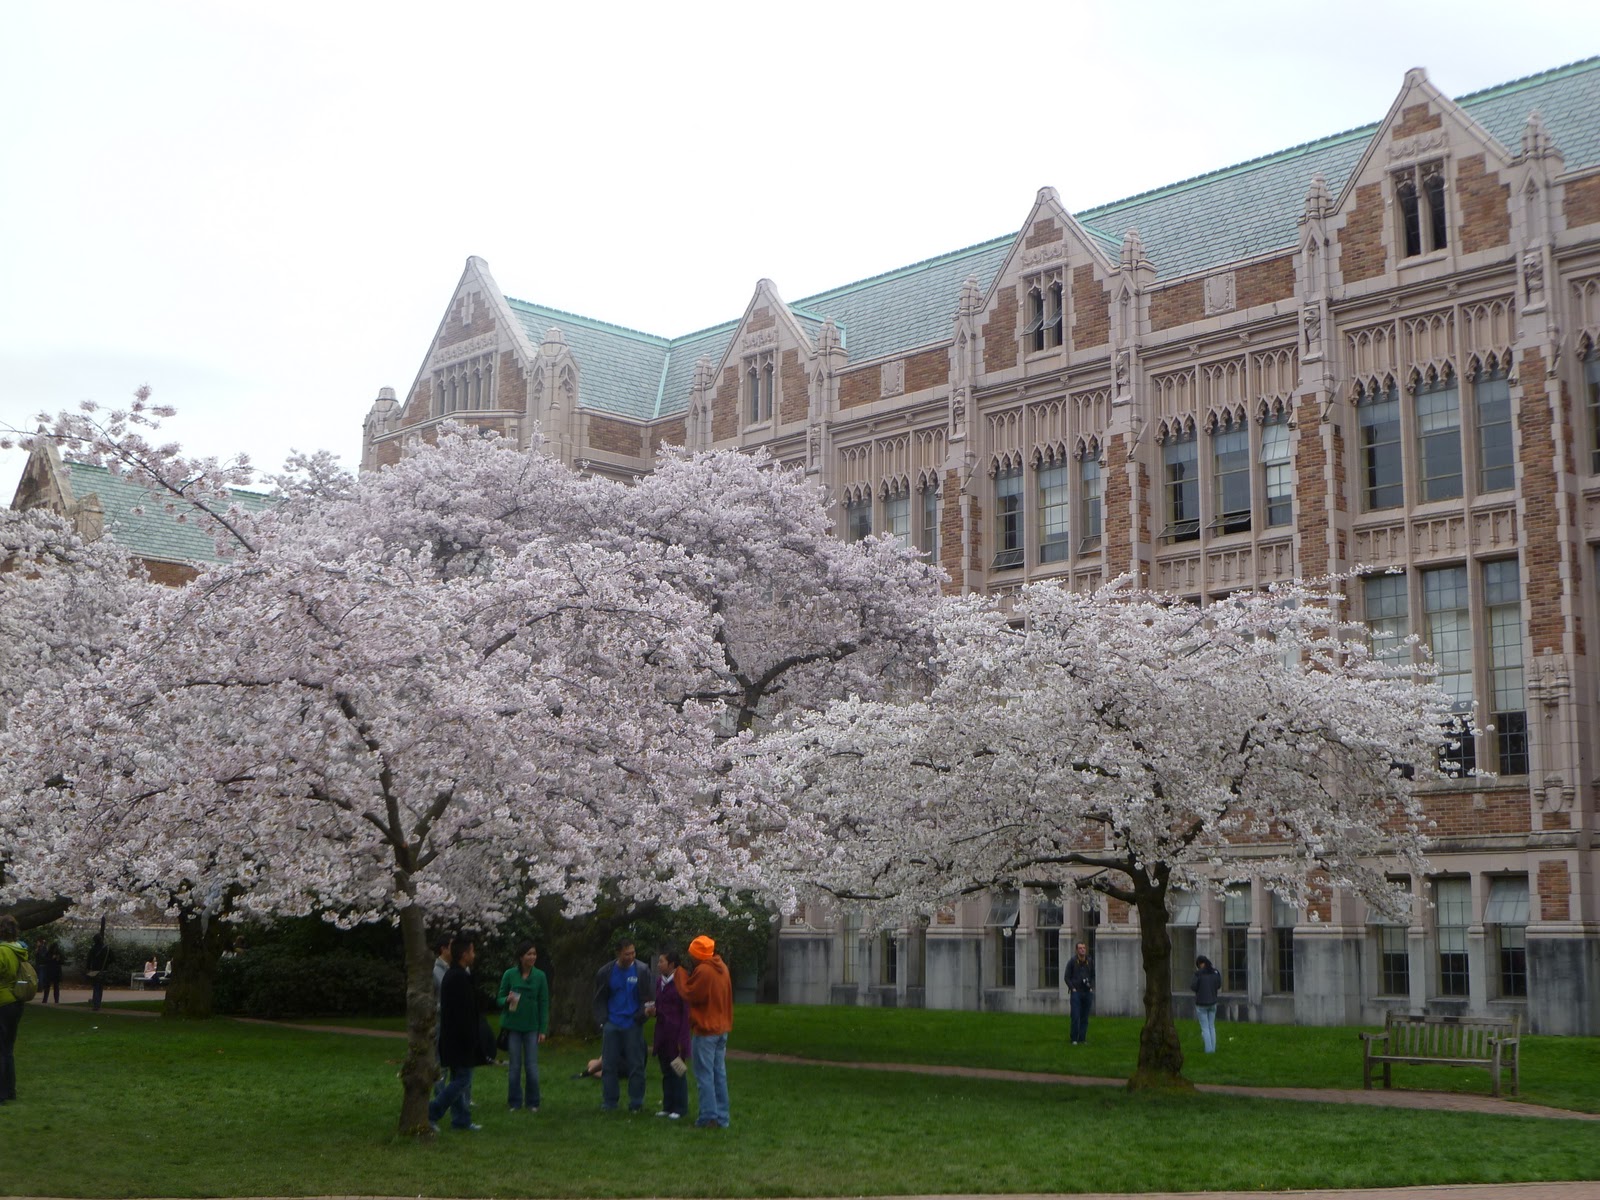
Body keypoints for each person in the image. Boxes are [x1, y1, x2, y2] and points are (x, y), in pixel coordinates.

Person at [428, 931, 484, 1132]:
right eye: (472, 951)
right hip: (460, 1040)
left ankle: (461, 1119)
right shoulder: (458, 978)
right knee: (462, 1080)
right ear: (464, 954)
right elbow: (464, 1013)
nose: (474, 955)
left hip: (453, 1039)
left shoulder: (454, 976)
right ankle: (432, 1111)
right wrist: (471, 1038)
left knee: (458, 1078)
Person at [676, 934, 732, 1129]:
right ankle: (722, 1117)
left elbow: (691, 993)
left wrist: (680, 974)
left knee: (705, 1075)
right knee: (719, 1074)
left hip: (706, 1029)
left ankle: (708, 1117)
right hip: (722, 1029)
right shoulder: (722, 968)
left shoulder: (704, 971)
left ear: (698, 954)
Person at [592, 937, 652, 1113]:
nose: (631, 956)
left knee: (636, 1065)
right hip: (612, 1023)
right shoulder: (606, 972)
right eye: (627, 953)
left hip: (633, 1024)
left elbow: (647, 997)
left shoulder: (641, 970)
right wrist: (604, 1020)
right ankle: (610, 1101)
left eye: (633, 952)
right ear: (618, 953)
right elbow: (600, 997)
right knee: (609, 1064)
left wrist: (641, 1016)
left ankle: (636, 1102)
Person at [496, 941, 549, 1113]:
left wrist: (543, 1029)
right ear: (521, 957)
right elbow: (499, 999)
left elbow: (543, 1003)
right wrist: (507, 1000)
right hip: (513, 1026)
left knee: (532, 1067)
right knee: (515, 1066)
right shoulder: (510, 974)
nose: (532, 957)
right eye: (528, 954)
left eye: (534, 954)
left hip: (532, 1026)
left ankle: (533, 1102)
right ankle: (514, 1102)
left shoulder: (540, 976)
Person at [652, 949, 690, 1119]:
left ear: (672, 964)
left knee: (677, 1071)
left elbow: (686, 1012)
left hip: (676, 1034)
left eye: (662, 961)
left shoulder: (682, 983)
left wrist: (683, 1039)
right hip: (662, 1034)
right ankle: (668, 1105)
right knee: (666, 1072)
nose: (659, 964)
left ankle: (680, 1107)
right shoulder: (660, 981)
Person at [0, 915, 29, 1104]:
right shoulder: (20, 950)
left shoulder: (3, 951)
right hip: (16, 1001)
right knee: (8, 1048)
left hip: (2, 1000)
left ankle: (1, 1093)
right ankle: (10, 1090)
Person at [1064, 941, 1095, 1045]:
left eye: (1084, 948)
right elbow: (1066, 977)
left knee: (1085, 1017)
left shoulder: (1089, 961)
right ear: (1077, 950)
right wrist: (1072, 988)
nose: (1083, 950)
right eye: (1081, 948)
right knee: (1075, 1016)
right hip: (1076, 992)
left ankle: (1082, 1038)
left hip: (1087, 992)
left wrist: (1091, 986)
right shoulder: (1072, 962)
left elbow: (1093, 975)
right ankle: (1074, 1038)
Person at [1191, 955, 1222, 1053]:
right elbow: (1218, 985)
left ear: (1200, 964)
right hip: (1213, 1002)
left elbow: (1193, 986)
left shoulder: (1198, 974)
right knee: (1211, 1026)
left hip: (1201, 1003)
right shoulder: (1215, 972)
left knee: (1205, 1028)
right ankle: (1213, 1048)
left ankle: (1209, 1050)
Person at [85, 930, 111, 1012]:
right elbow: (112, 958)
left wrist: (88, 968)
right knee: (100, 987)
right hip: (104, 970)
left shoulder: (93, 949)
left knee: (96, 987)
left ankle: (96, 1004)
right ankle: (98, 1003)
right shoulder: (106, 949)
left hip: (95, 970)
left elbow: (89, 959)